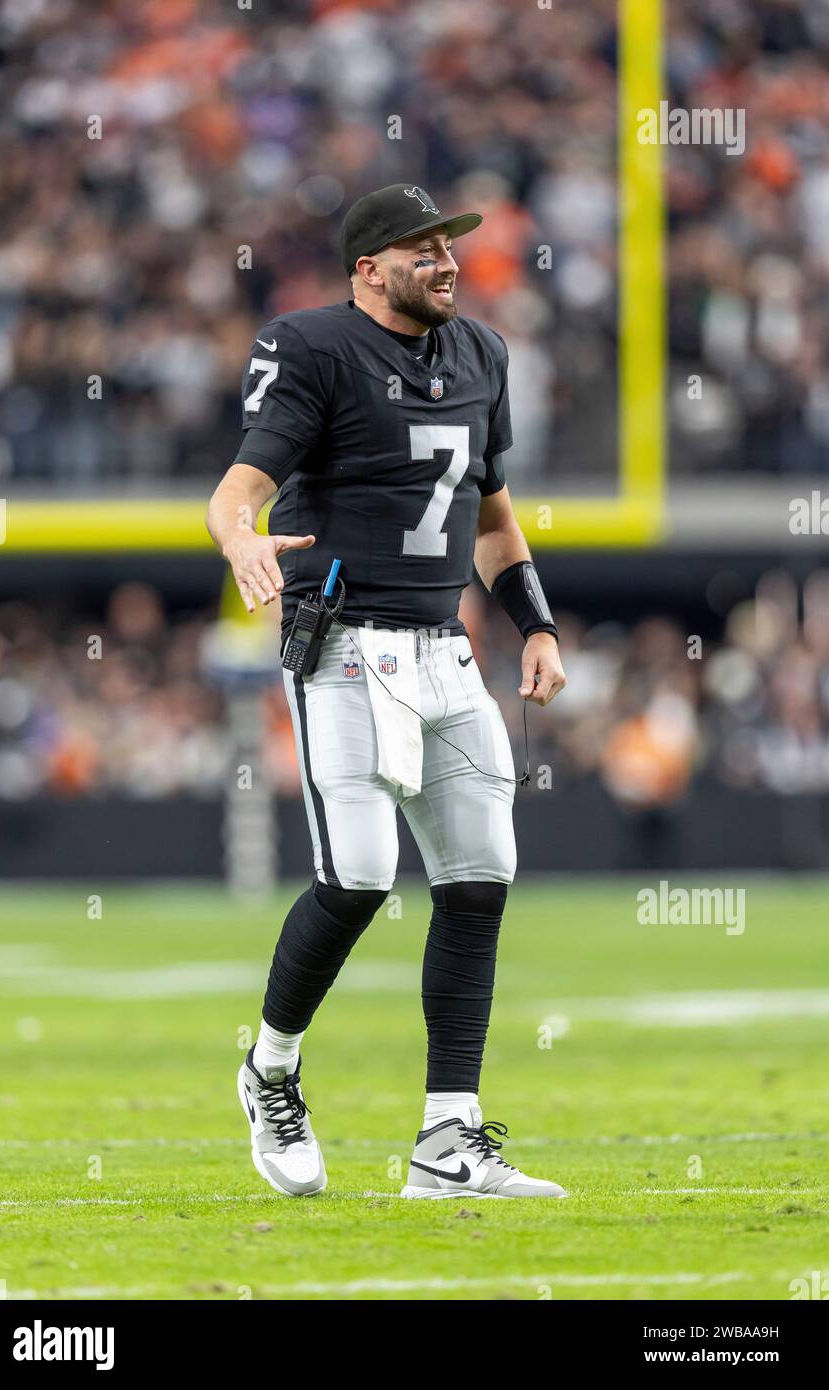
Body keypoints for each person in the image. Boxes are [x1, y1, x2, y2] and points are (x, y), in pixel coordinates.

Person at [207, 183, 567, 1199]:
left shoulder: (481, 355)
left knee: (479, 873)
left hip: (444, 649)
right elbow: (240, 487)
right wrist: (240, 536)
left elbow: (492, 519)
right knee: (359, 874)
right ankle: (269, 1068)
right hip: (345, 646)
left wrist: (533, 621)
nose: (447, 263)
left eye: (449, 246)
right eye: (422, 250)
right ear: (368, 268)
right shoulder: (313, 346)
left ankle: (446, 1142)